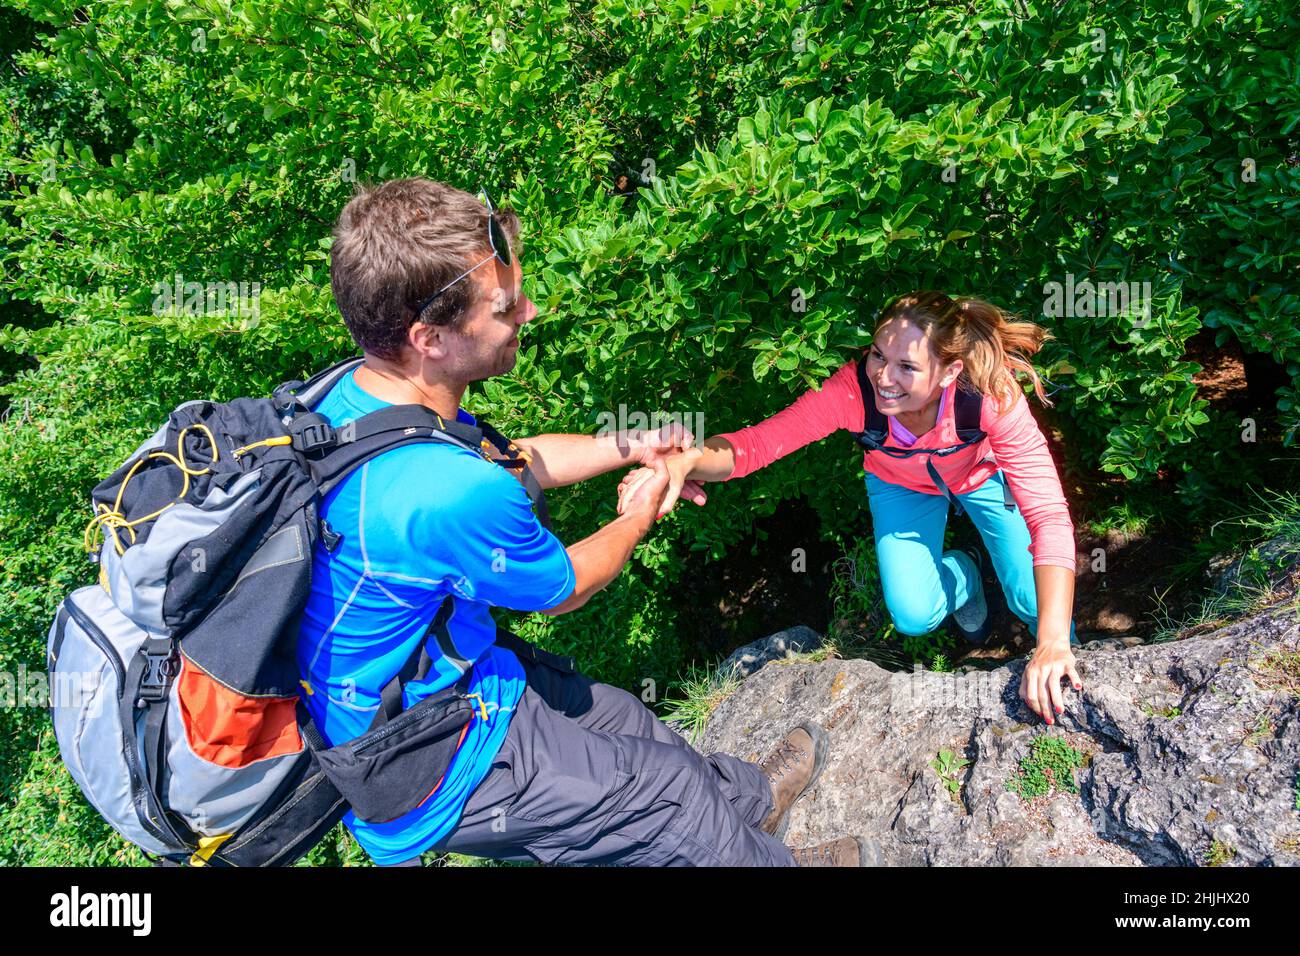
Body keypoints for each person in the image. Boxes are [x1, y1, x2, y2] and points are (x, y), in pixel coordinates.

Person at [296, 177, 865, 866]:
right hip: (422, 761)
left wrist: (634, 445)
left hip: (454, 682)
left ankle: (747, 814)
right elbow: (568, 587)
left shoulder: (360, 395)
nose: (529, 311)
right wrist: (641, 507)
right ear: (430, 337)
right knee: (662, 799)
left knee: (626, 720)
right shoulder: (439, 492)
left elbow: (519, 460)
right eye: (506, 306)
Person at [629, 291, 1085, 724]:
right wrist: (689, 459)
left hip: (979, 474)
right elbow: (760, 443)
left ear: (949, 372)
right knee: (914, 615)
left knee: (1034, 598)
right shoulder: (852, 392)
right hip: (900, 483)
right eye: (878, 355)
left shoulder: (989, 393)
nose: (884, 378)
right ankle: (964, 575)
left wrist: (1052, 642)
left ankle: (1072, 660)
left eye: (907, 366)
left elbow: (1048, 513)